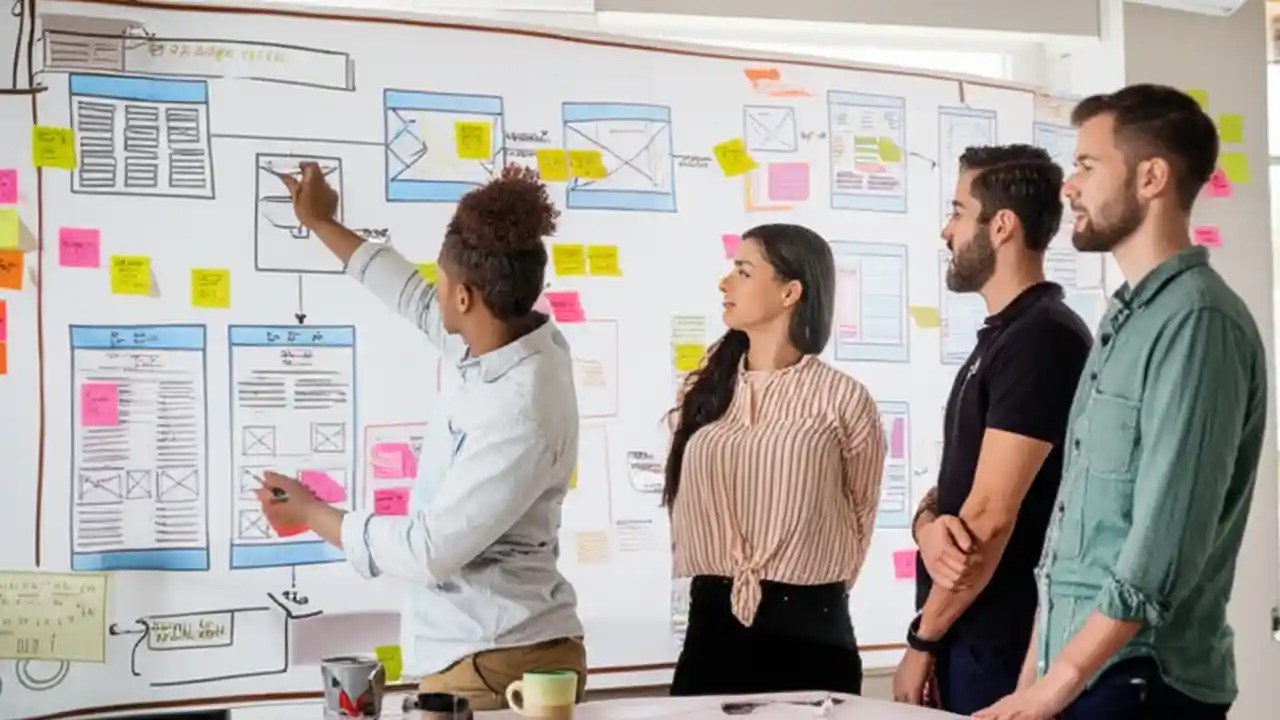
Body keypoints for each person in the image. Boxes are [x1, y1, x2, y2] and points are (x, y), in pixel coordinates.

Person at [976, 84, 1267, 720]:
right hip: (1082, 678)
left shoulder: (1198, 321)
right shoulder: (1126, 317)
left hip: (1140, 681)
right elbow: (1074, 533)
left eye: (1087, 165)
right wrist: (1034, 677)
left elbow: (1163, 542)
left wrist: (1057, 683)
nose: (1069, 186)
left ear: (1151, 177)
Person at [254, 163, 588, 710]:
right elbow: (408, 294)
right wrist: (321, 223)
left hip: (495, 658)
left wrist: (312, 513)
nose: (434, 288)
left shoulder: (519, 407)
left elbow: (427, 551)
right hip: (494, 651)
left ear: (465, 298)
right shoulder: (501, 341)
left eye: (442, 278)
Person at [893, 145, 1092, 714]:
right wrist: (926, 526)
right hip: (968, 635)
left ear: (1001, 225)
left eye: (958, 212)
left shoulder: (1043, 340)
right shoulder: (1004, 338)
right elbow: (957, 492)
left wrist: (921, 641)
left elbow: (989, 516)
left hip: (1004, 646)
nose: (946, 231)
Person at [664, 223, 887, 697]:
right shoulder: (704, 392)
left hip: (810, 632)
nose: (725, 283)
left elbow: (861, 515)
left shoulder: (844, 398)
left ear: (790, 292)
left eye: (743, 272)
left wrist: (802, 589)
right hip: (710, 626)